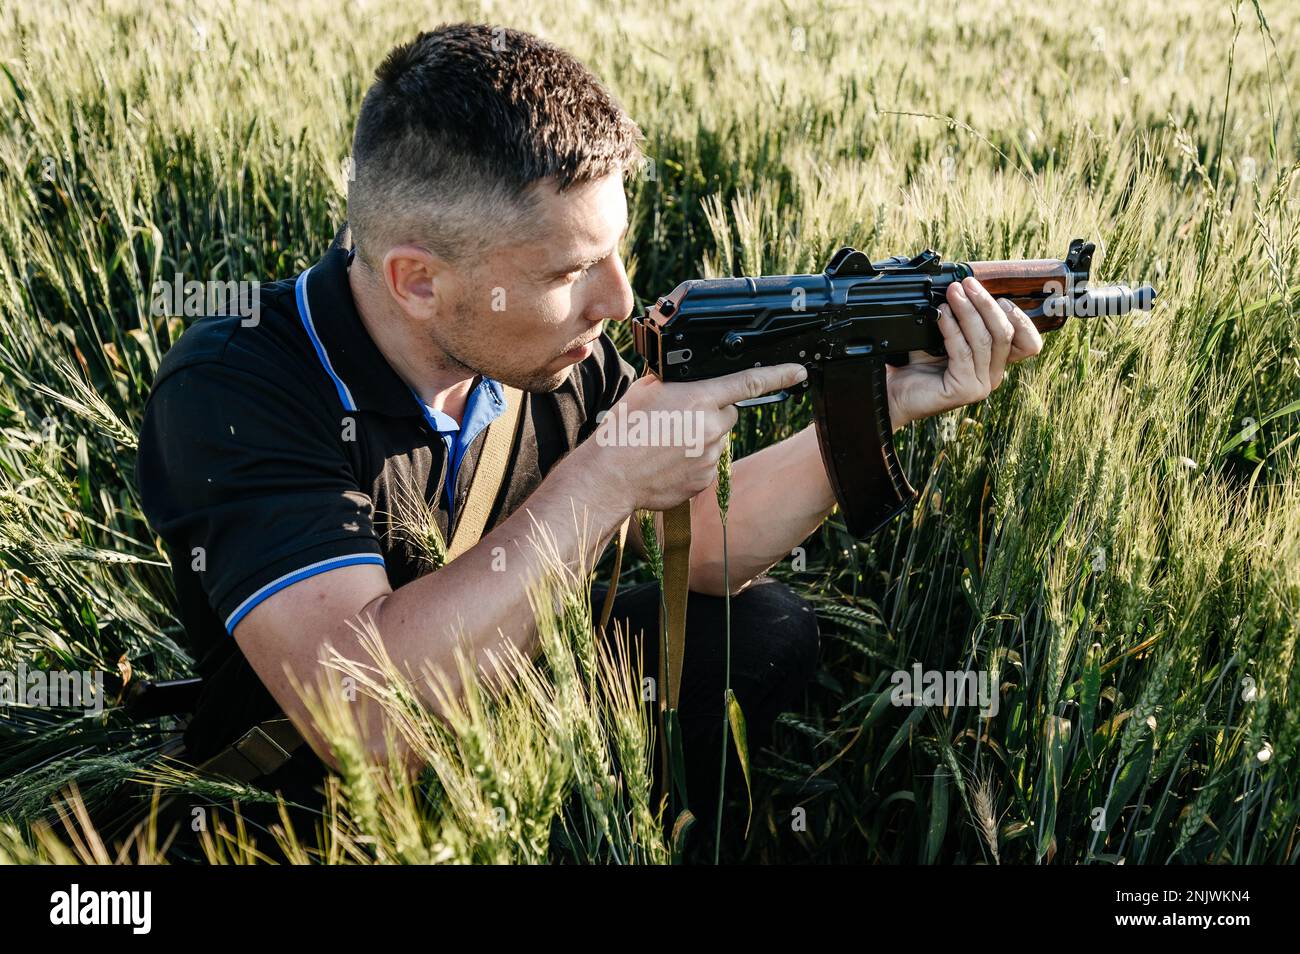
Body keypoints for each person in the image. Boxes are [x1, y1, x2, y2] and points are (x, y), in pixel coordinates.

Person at [134, 22, 1043, 855]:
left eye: (616, 251)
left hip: (499, 695)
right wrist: (606, 478)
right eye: (570, 270)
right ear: (418, 281)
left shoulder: (548, 349)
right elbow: (362, 726)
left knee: (764, 630)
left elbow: (711, 552)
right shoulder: (234, 386)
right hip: (308, 801)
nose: (614, 302)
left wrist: (886, 402)